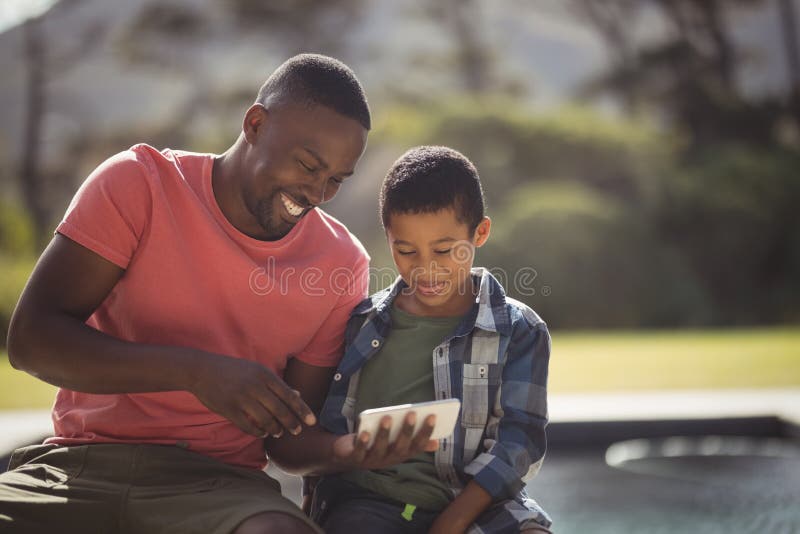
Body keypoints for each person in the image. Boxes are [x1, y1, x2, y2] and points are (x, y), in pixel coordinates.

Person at [0, 54, 435, 534]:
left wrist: (350, 450)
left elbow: (290, 439)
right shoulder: (138, 183)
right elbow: (30, 342)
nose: (317, 192)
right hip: (76, 468)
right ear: (255, 124)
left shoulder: (340, 263)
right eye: (309, 165)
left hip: (219, 488)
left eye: (335, 179)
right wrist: (196, 372)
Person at [308, 146, 554, 533]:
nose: (426, 269)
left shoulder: (519, 329)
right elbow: (328, 430)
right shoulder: (362, 324)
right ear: (388, 238)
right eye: (406, 251)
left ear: (480, 233)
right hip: (371, 503)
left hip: (476, 503)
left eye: (443, 250)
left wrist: (450, 524)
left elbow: (517, 446)